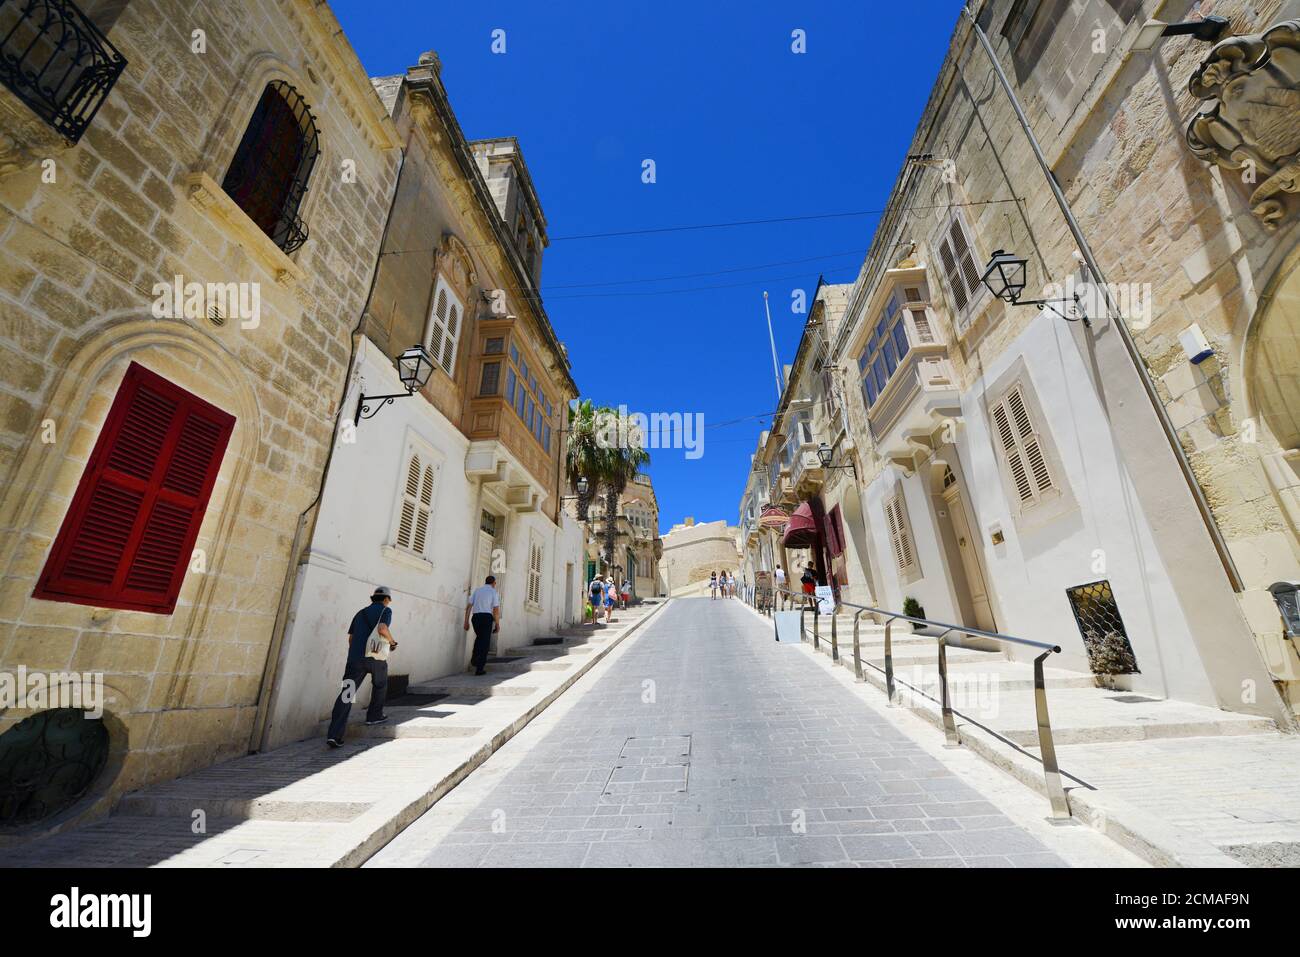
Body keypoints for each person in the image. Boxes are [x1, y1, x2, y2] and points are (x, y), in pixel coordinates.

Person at [327, 585, 397, 748]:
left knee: (347, 694)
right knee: (380, 684)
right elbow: (382, 628)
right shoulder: (385, 610)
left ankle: (334, 734)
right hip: (375, 658)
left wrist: (356, 654)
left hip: (355, 660)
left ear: (373, 597)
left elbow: (351, 639)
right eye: (388, 600)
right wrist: (392, 642)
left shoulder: (360, 613)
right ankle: (374, 716)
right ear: (386, 599)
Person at [464, 575, 501, 675]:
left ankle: (474, 659)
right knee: (485, 643)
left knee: (479, 638)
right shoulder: (493, 592)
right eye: (495, 583)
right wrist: (497, 624)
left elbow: (469, 606)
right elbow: (496, 609)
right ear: (493, 583)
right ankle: (479, 668)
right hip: (486, 618)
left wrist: (466, 621)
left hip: (475, 618)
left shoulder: (477, 590)